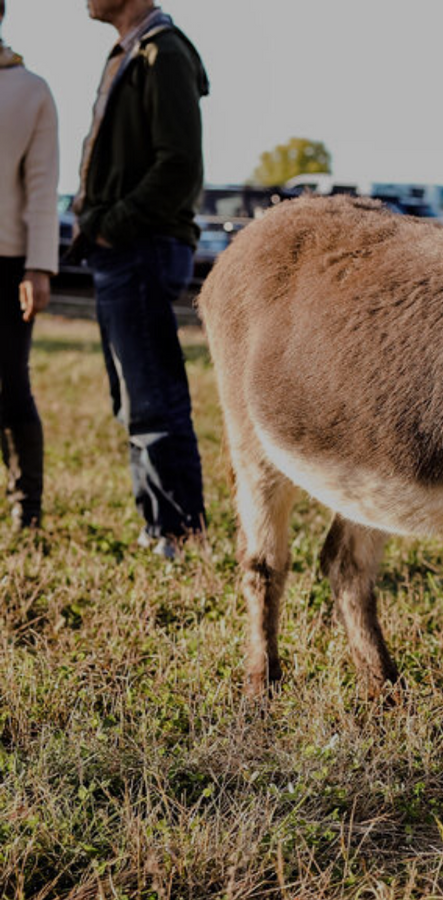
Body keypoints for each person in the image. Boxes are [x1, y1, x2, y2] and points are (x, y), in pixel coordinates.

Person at [67, 0, 209, 558]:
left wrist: (109, 225)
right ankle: (159, 527)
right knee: (133, 398)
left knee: (153, 398)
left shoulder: (163, 53)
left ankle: (179, 533)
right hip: (123, 248)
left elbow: (179, 167)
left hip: (140, 247)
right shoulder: (128, 54)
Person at [0, 0, 57, 530]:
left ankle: (27, 506)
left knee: (10, 383)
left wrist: (38, 267)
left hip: (9, 260)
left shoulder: (31, 91)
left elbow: (42, 188)